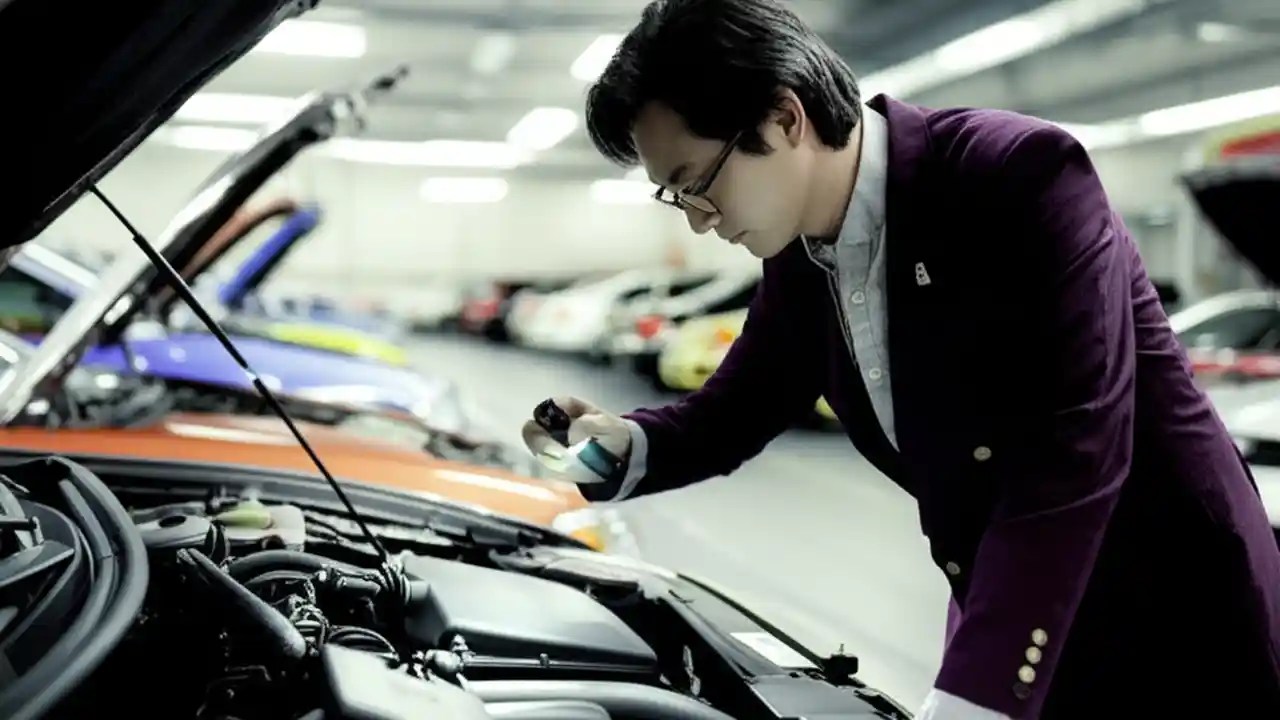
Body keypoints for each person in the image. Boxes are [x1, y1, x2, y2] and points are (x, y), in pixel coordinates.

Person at [522, 1, 1280, 717]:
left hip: (1173, 603)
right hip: (1014, 601)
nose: (697, 220)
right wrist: (619, 446)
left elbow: (1071, 454)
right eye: (673, 197)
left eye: (696, 183)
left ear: (785, 118)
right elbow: (739, 405)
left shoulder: (1017, 175)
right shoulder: (802, 255)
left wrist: (975, 694)